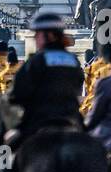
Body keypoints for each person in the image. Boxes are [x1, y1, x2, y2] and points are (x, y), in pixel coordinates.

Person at [7, 9, 84, 145]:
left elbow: (17, 92)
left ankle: (4, 166)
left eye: (38, 34)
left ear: (50, 35)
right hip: (71, 118)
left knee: (7, 147)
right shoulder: (73, 60)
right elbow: (78, 84)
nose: (36, 38)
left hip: (39, 119)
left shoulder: (37, 60)